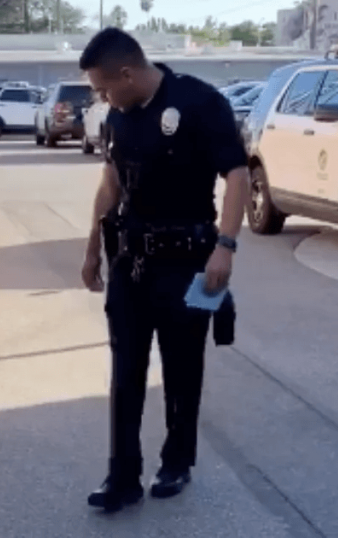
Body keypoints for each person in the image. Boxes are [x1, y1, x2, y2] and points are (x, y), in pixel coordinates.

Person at [78, 27, 251, 512]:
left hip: (188, 259)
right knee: (125, 372)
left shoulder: (200, 102)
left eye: (104, 87)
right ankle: (122, 477)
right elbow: (111, 182)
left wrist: (227, 246)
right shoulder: (118, 114)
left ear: (128, 74)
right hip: (130, 262)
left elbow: (237, 173)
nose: (101, 96)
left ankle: (176, 461)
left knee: (182, 369)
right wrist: (92, 248)